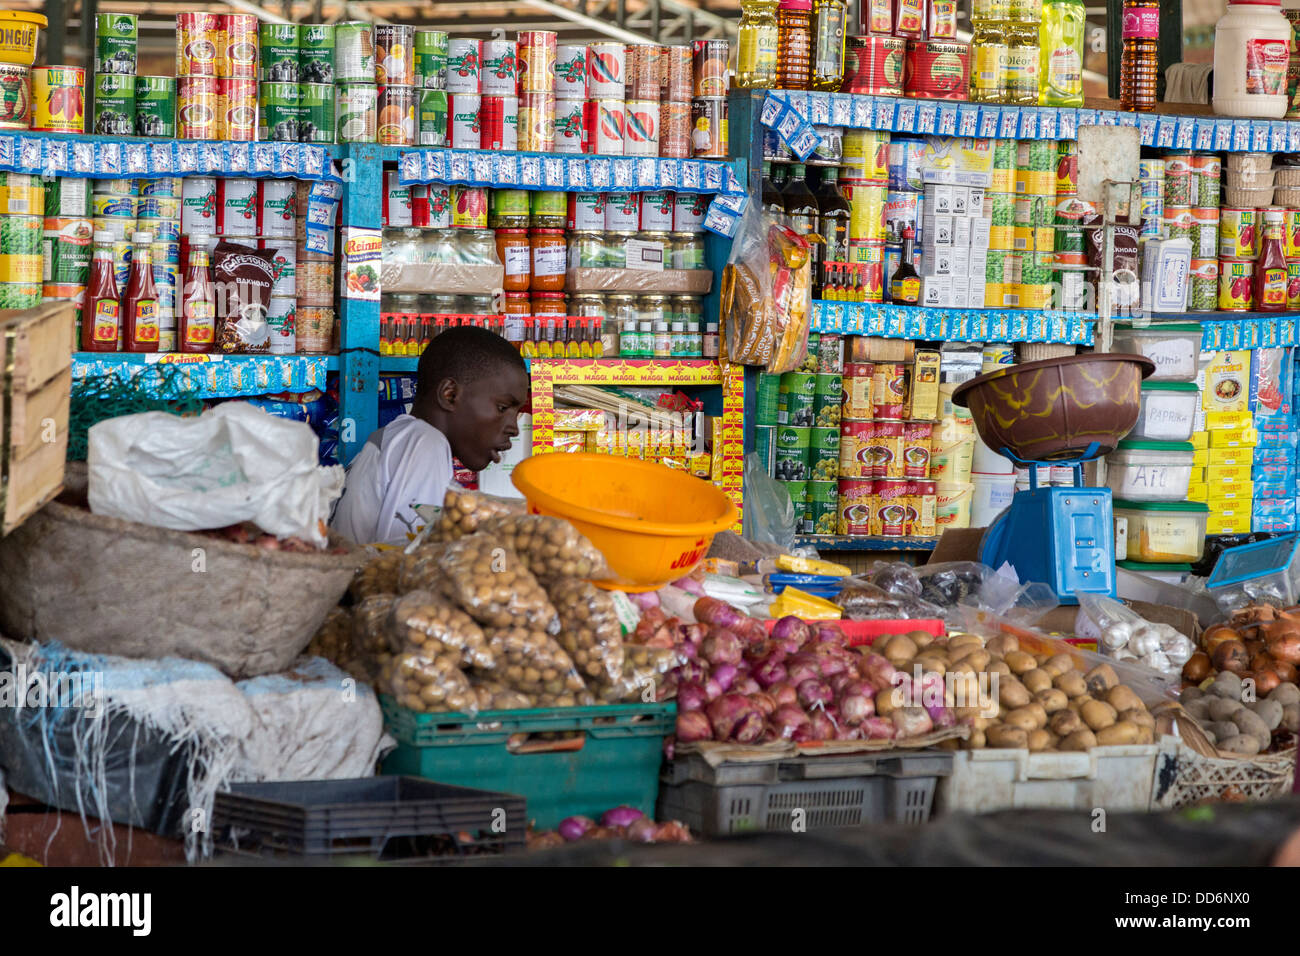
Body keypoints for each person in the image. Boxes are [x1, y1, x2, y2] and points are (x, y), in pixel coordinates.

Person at [331, 326, 529, 546]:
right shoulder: (424, 443)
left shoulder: (401, 436)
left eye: (517, 413)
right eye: (502, 408)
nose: (514, 429)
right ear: (450, 395)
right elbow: (417, 561)